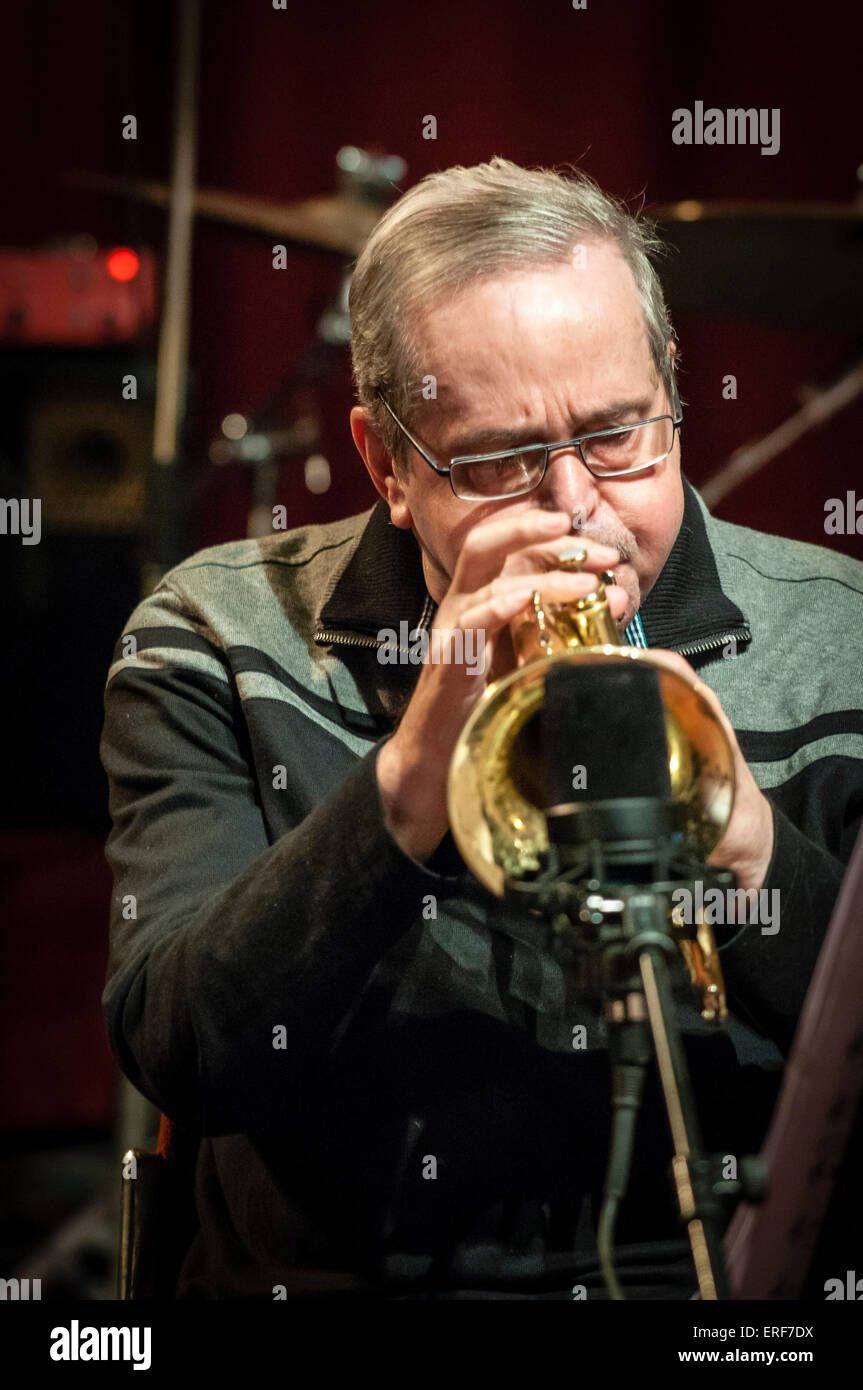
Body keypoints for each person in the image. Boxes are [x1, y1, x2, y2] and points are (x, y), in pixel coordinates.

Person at [100, 157, 863, 1300]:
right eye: (500, 460)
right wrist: (407, 782)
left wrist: (743, 841)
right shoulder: (214, 631)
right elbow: (186, 1050)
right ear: (387, 466)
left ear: (668, 383)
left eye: (616, 434)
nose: (573, 508)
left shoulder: (839, 635)